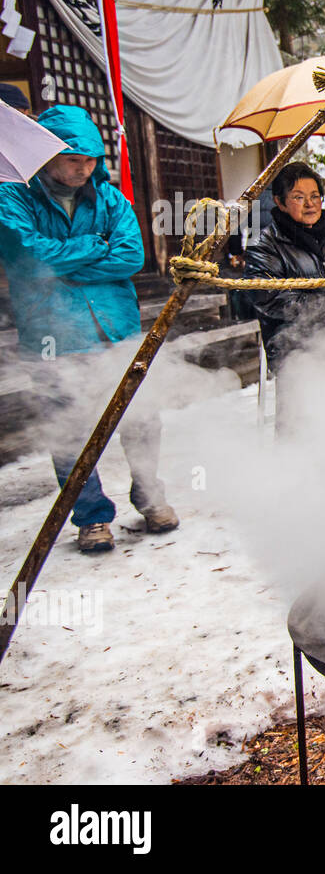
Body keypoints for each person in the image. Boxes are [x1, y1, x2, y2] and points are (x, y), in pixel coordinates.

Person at [0, 105, 178, 552]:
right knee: (69, 429)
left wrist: (65, 264)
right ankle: (92, 517)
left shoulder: (111, 200)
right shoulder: (13, 198)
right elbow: (29, 258)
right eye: (74, 159)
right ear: (49, 157)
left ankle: (149, 493)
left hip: (114, 329)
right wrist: (88, 248)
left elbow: (130, 257)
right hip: (52, 337)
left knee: (141, 418)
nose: (85, 168)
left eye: (92, 159)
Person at [243, 162, 325, 434]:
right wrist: (323, 309)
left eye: (315, 196)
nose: (310, 204)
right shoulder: (265, 244)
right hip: (297, 356)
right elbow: (267, 296)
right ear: (279, 202)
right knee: (300, 434)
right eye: (299, 197)